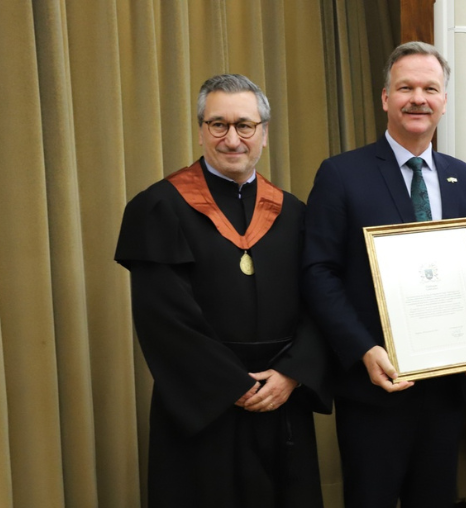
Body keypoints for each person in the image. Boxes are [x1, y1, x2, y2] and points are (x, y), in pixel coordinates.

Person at [302, 41, 466, 508]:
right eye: (406, 87)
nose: (418, 98)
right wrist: (362, 349)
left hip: (447, 388)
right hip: (375, 385)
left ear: (443, 99)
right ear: (385, 98)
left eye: (430, 88)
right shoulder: (341, 174)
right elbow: (319, 271)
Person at [114, 74, 332, 508]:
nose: (232, 139)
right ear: (201, 130)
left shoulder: (294, 213)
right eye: (218, 124)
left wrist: (292, 373)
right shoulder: (160, 208)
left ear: (264, 134)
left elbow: (320, 303)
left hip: (281, 398)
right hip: (203, 407)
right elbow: (165, 319)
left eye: (245, 125)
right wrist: (233, 385)